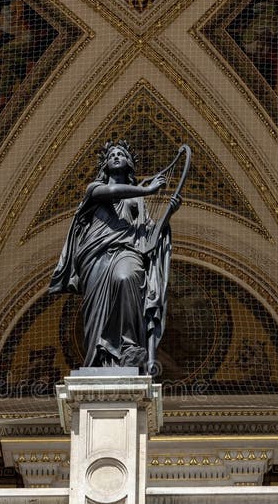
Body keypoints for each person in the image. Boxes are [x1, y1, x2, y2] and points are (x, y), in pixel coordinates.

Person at [49, 140, 180, 373]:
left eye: (122, 154)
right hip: (94, 256)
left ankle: (128, 346)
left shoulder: (137, 201)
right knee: (97, 313)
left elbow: (148, 233)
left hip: (127, 251)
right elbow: (112, 192)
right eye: (112, 154)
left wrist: (168, 213)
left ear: (128, 162)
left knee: (127, 277)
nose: (116, 156)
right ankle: (99, 358)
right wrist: (148, 189)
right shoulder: (95, 189)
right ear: (105, 164)